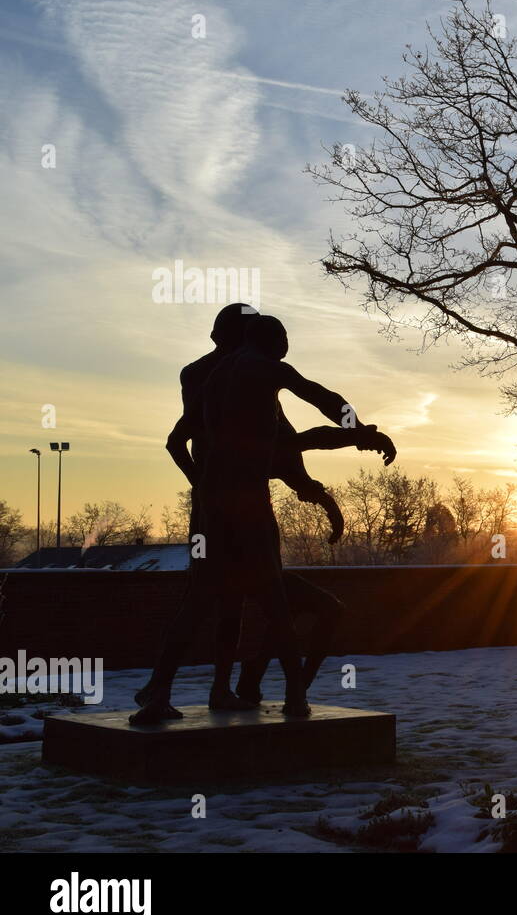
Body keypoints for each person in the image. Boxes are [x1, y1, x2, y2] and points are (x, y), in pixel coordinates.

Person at [131, 306, 395, 724]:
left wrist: (201, 483)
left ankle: (171, 688)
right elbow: (317, 409)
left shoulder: (210, 378)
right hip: (248, 502)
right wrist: (359, 431)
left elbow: (177, 441)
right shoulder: (267, 371)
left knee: (202, 598)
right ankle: (293, 698)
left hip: (211, 503)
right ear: (268, 342)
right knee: (272, 597)